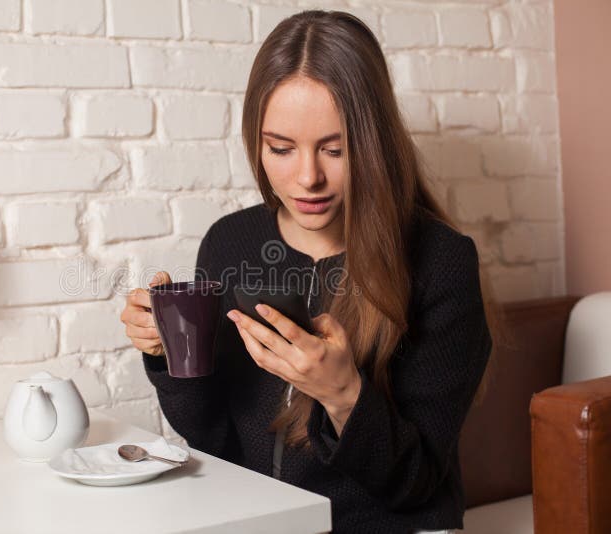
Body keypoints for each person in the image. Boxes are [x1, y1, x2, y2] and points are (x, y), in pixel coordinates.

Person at [120, 10, 493, 534]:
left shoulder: (440, 260)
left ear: (374, 142)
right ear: (256, 142)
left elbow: (418, 484)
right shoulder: (230, 242)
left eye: (335, 149)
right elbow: (212, 440)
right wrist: (167, 353)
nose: (308, 177)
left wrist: (343, 395)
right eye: (281, 148)